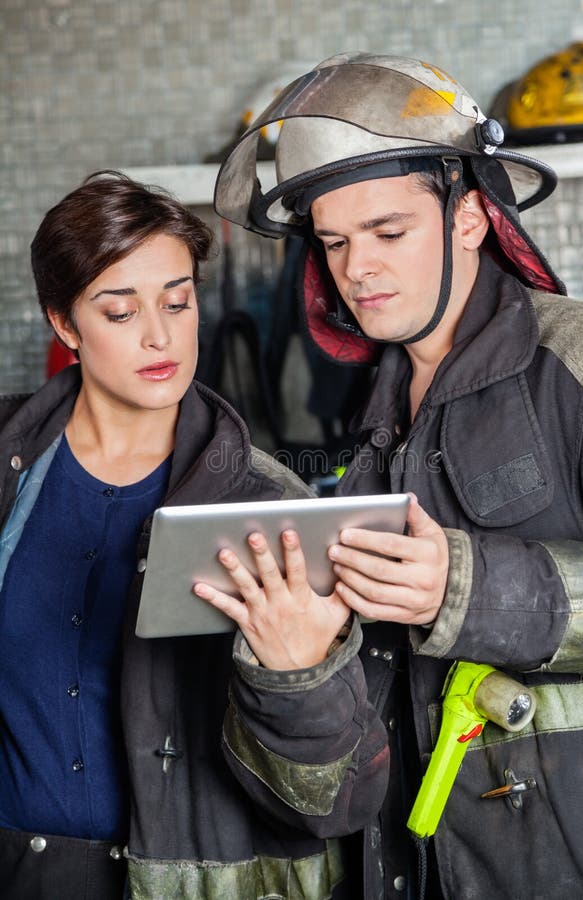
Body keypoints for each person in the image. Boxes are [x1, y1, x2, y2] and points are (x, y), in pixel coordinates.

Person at [210, 53, 583, 899]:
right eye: (334, 242)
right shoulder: (366, 431)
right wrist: (293, 664)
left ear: (470, 219)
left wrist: (468, 585)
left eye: (387, 232)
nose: (357, 270)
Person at [0, 171, 374, 900]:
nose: (159, 335)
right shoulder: (8, 469)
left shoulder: (268, 508)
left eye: (178, 301)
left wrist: (298, 676)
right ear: (64, 325)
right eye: (119, 311)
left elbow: (338, 800)